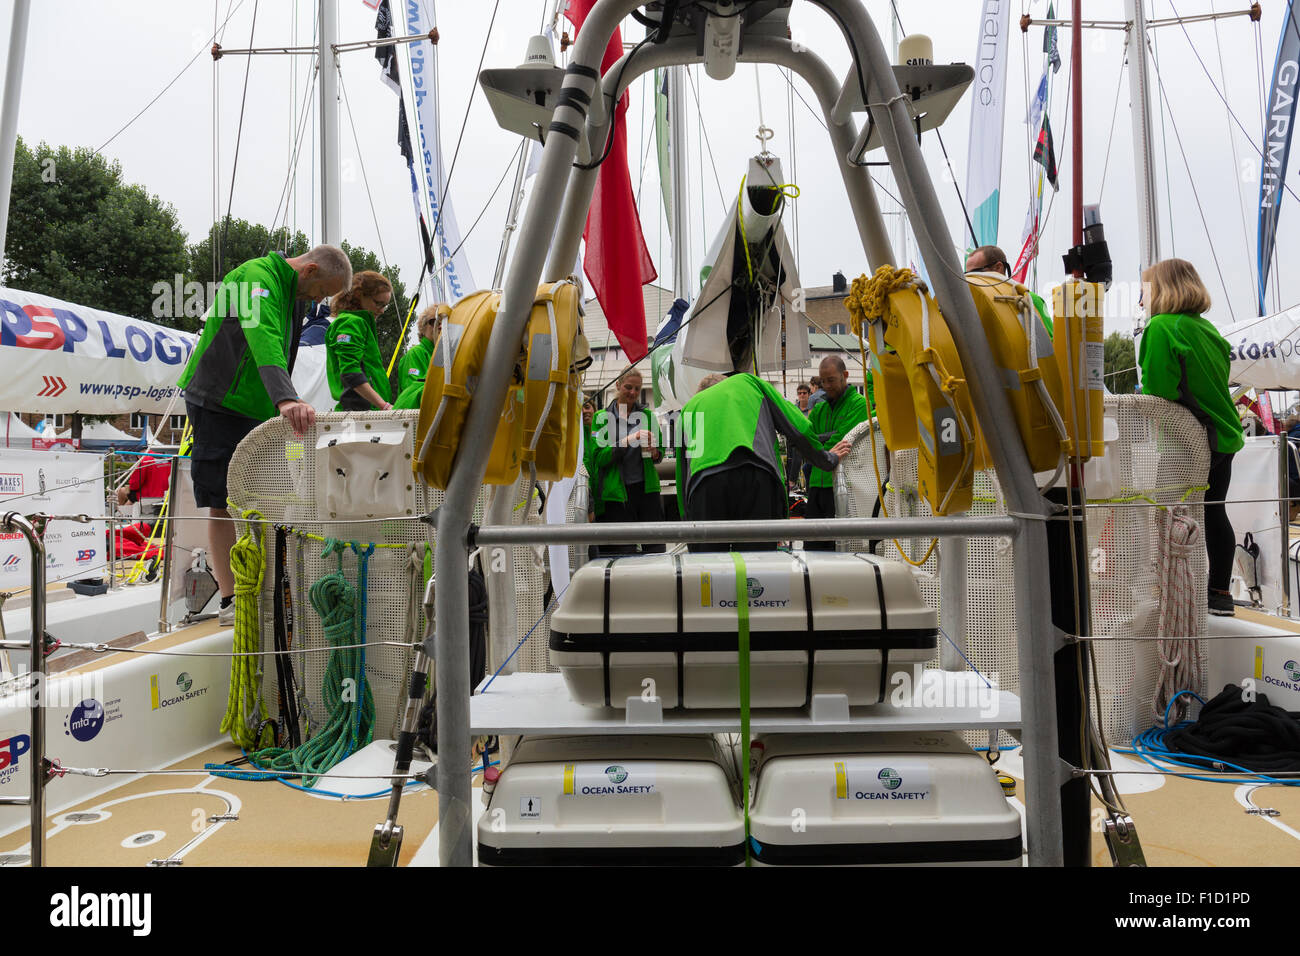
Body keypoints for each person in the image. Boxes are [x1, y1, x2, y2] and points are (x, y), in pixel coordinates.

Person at [179, 244, 352, 625]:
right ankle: (230, 602)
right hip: (219, 401)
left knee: (262, 499)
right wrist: (287, 398)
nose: (319, 301)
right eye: (322, 292)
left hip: (254, 408)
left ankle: (259, 590)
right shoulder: (258, 276)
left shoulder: (293, 291)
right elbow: (263, 335)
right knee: (222, 502)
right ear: (308, 271)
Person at [1136, 257, 1244, 617]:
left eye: (1143, 292)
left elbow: (1158, 391)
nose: (1139, 301)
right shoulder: (1208, 329)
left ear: (1160, 290)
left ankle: (1171, 593)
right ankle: (1219, 593)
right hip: (1223, 436)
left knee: (1168, 516)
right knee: (1215, 513)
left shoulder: (1162, 327)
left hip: (1188, 439)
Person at [678, 372, 850, 552]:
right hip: (756, 475)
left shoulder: (689, 407)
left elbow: (682, 472)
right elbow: (798, 427)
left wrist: (687, 524)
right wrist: (827, 459)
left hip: (704, 485)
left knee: (706, 567)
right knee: (757, 564)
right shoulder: (748, 382)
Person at [588, 370, 664, 556]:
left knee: (655, 548)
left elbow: (659, 452)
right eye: (628, 387)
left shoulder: (647, 416)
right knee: (621, 552)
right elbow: (599, 458)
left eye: (637, 389)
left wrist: (655, 452)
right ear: (617, 386)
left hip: (647, 492)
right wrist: (628, 440)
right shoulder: (600, 418)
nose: (632, 392)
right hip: (616, 495)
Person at [805, 355, 869, 550]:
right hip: (816, 485)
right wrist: (823, 448)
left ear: (845, 375)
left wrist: (818, 444)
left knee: (839, 552)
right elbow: (805, 441)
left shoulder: (858, 403)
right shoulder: (819, 408)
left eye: (831, 380)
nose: (826, 385)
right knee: (812, 551)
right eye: (823, 381)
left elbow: (844, 440)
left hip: (843, 487)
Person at [326, 271, 395, 412]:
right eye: (378, 303)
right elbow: (350, 372)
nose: (382, 311)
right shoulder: (349, 323)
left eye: (385, 306)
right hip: (359, 414)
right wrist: (385, 406)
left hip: (367, 412)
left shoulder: (360, 323)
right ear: (358, 295)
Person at [964, 244, 1054, 337]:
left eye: (975, 273)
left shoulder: (1031, 300)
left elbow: (1051, 341)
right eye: (967, 275)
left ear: (998, 268)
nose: (971, 279)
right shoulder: (973, 305)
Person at [393, 305, 443, 410]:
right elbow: (411, 395)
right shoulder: (415, 354)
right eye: (434, 321)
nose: (440, 326)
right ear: (422, 328)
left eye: (445, 322)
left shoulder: (445, 356)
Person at [115, 453, 170, 518]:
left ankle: (121, 516)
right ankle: (122, 514)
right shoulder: (168, 459)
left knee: (129, 496)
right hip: (166, 497)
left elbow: (134, 484)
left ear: (138, 455)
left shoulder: (146, 460)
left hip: (147, 498)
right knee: (123, 491)